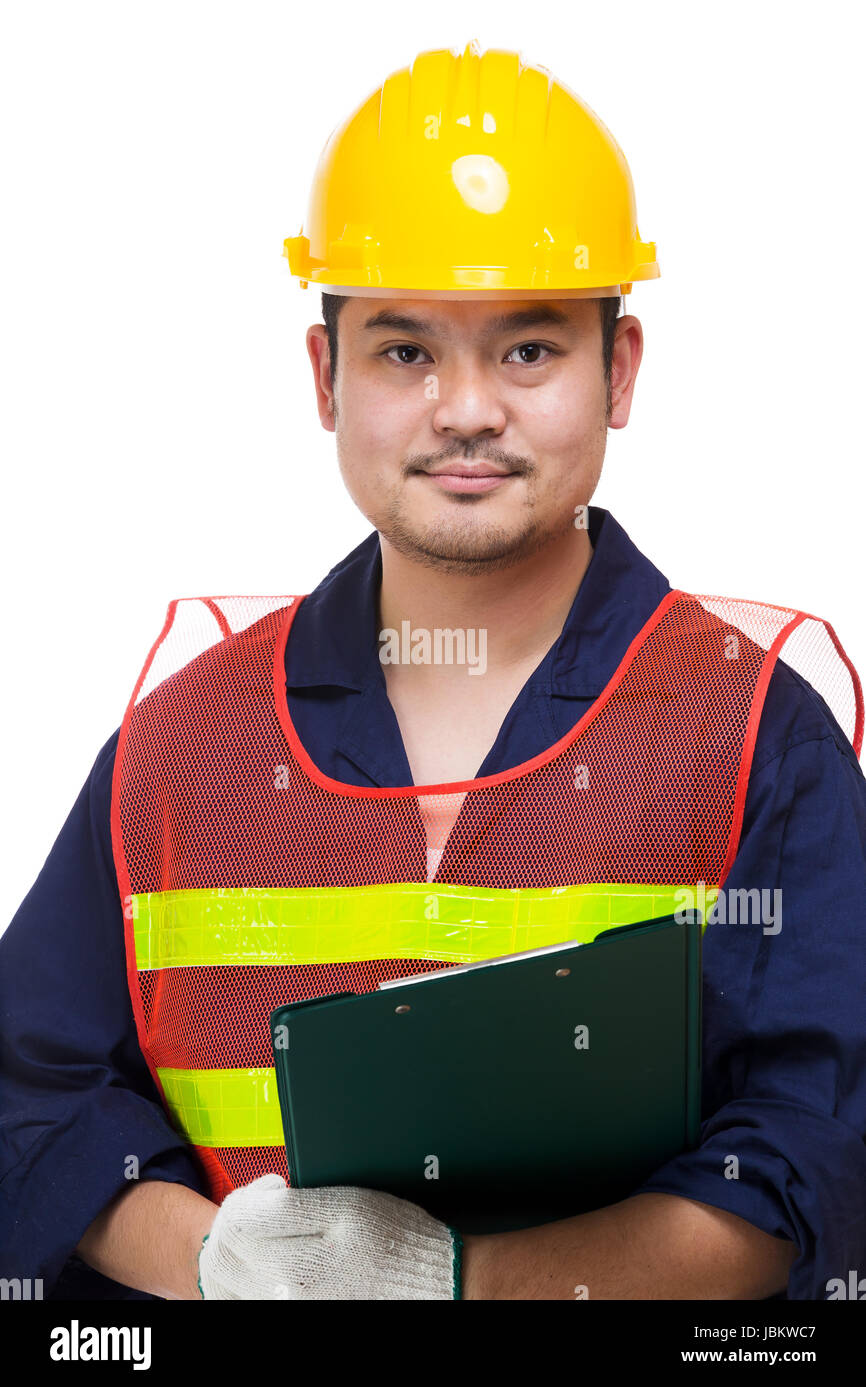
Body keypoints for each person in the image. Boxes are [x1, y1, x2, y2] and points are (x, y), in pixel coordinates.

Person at [2, 41, 865, 1302]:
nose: (466, 408)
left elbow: (812, 1151)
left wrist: (456, 1283)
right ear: (324, 376)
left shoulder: (752, 738)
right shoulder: (175, 748)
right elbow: (36, 1097)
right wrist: (224, 1269)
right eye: (405, 351)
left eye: (527, 349)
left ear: (618, 374)